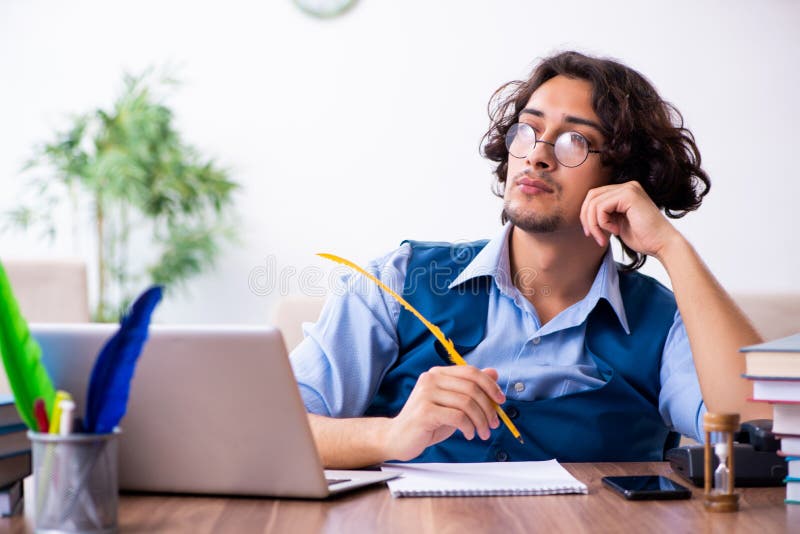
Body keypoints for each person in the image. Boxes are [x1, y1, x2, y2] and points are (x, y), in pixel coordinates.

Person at [290, 51, 771, 468]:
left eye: (574, 140)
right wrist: (390, 435)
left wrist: (671, 246)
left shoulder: (665, 324)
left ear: (624, 175)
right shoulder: (396, 279)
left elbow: (765, 433)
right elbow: (278, 428)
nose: (538, 155)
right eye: (528, 130)